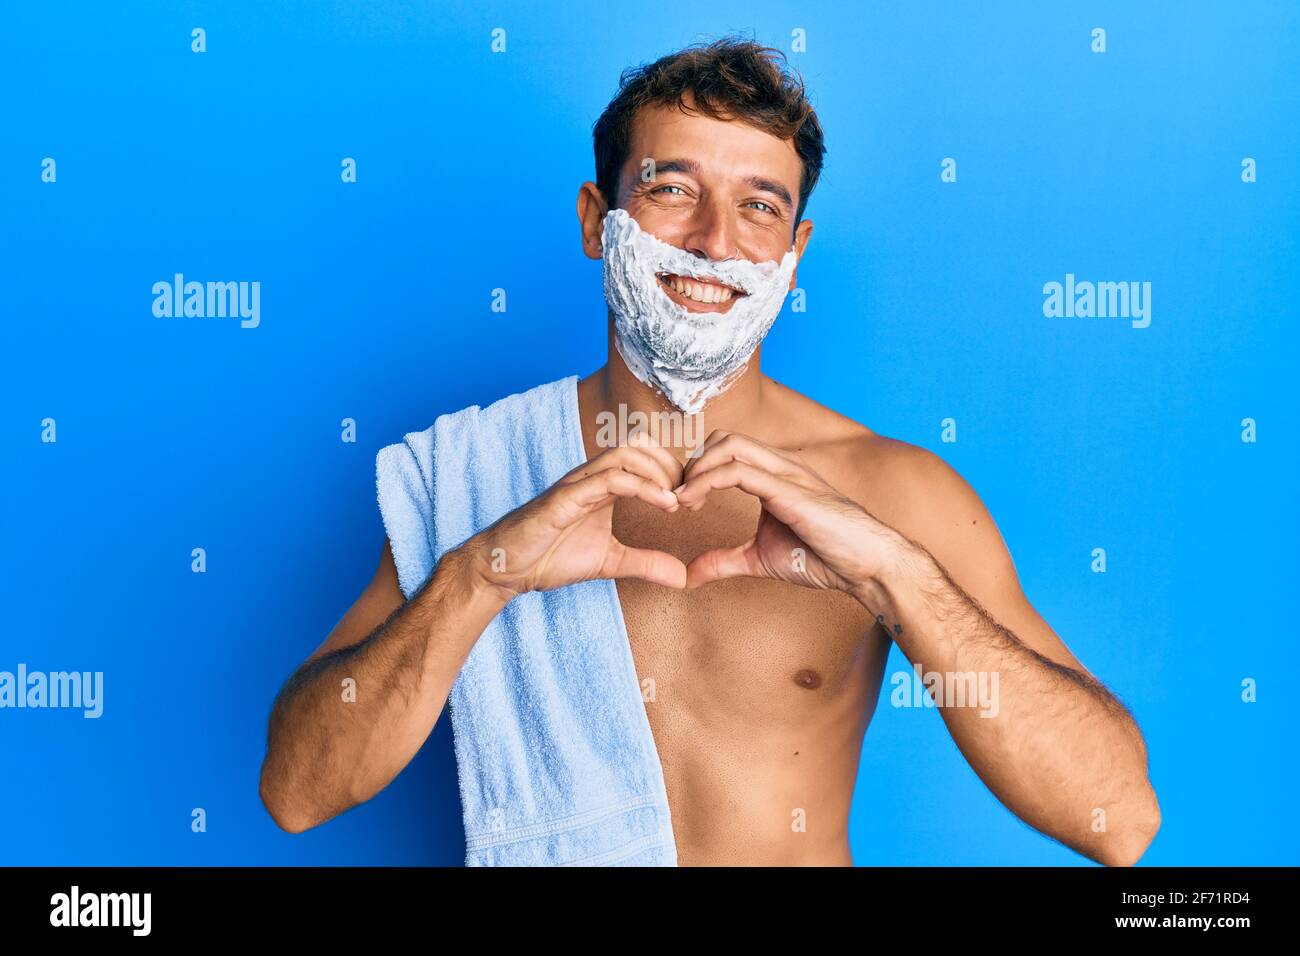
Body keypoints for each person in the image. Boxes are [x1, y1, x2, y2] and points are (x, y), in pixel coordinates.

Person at [259, 36, 1160, 867]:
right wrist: (482, 575)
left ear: (794, 252)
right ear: (595, 219)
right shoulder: (479, 472)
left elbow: (1116, 818)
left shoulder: (892, 491)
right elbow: (297, 792)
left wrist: (894, 575)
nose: (714, 241)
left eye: (759, 206)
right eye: (671, 190)